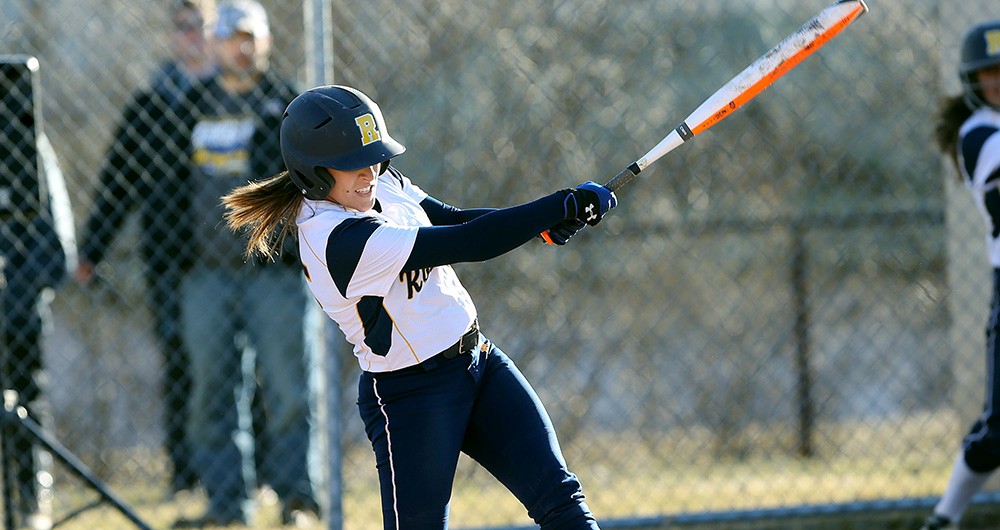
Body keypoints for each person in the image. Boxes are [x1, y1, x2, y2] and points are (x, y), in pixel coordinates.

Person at [222, 84, 614, 529]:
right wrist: (561, 202)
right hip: (412, 396)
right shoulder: (338, 239)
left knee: (560, 498)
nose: (369, 172)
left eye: (372, 158)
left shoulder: (378, 182)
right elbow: (471, 243)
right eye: (352, 165)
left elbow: (455, 219)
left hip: (479, 362)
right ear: (313, 173)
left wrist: (542, 221)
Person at [171, 0, 317, 526]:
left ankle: (296, 498)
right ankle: (227, 502)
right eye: (232, 36)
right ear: (215, 43)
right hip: (205, 273)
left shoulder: (289, 107)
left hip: (272, 272)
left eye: (251, 36)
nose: (242, 46)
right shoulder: (187, 106)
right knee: (211, 387)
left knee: (288, 388)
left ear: (265, 41)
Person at [75, 0, 215, 495]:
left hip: (230, 257)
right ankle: (185, 475)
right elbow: (118, 182)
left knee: (236, 364)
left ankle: (247, 474)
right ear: (171, 35)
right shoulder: (150, 105)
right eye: (183, 27)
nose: (192, 35)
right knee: (179, 360)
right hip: (170, 257)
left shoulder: (237, 96)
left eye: (201, 25)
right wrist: (91, 249)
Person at [920, 19, 1000, 530]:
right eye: (990, 73)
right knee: (998, 433)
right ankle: (944, 520)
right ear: (973, 81)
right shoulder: (978, 135)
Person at [1, 54, 77, 529]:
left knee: (26, 395)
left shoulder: (25, 145)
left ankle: (31, 503)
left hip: (16, 295)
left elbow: (55, 245)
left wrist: (22, 290)